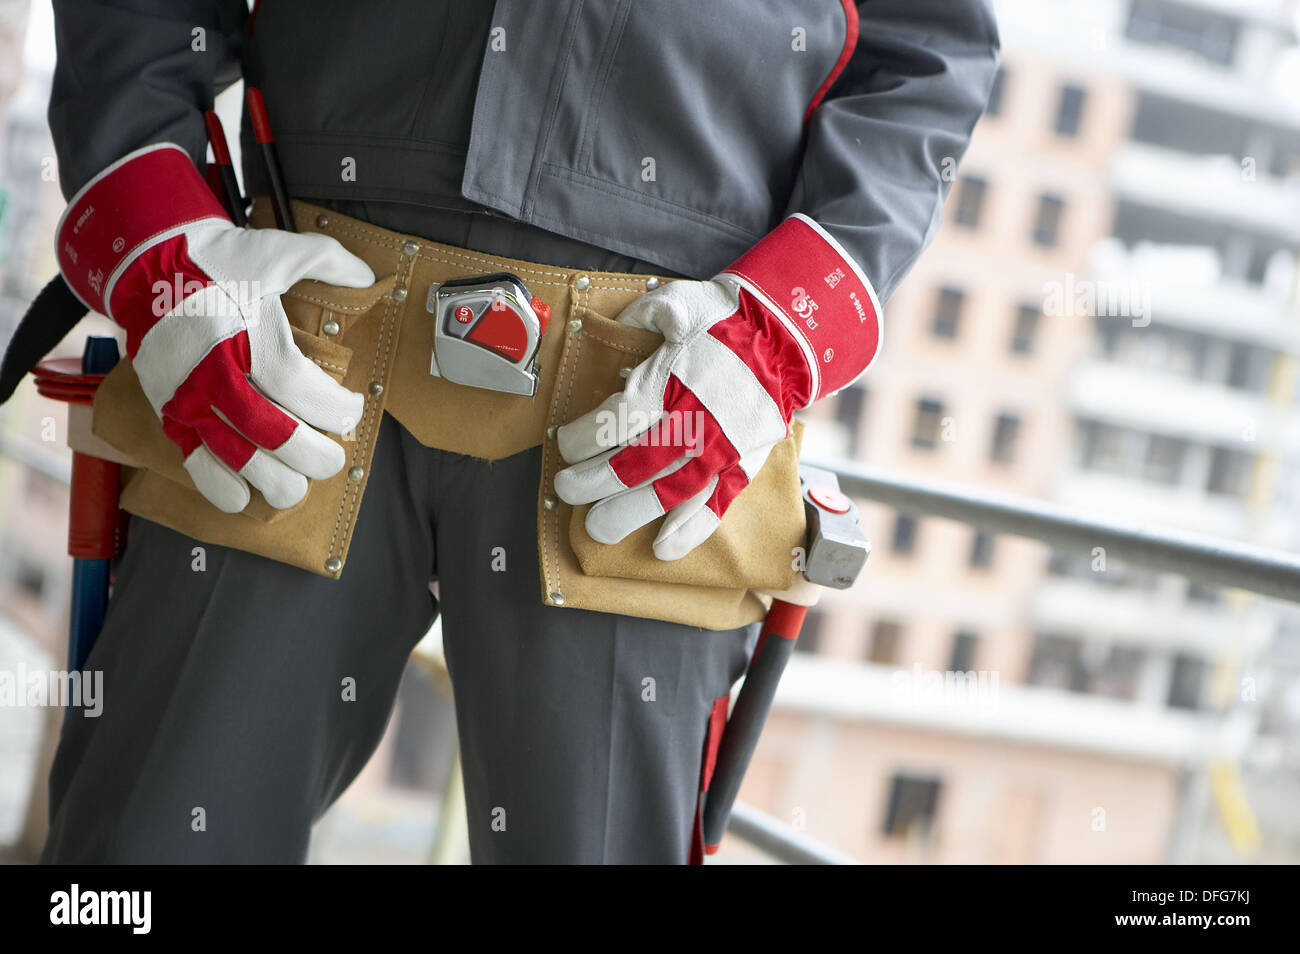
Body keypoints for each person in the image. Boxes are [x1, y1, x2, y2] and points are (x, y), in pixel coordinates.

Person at [38, 0, 998, 864]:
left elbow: (925, 57)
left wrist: (782, 334)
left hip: (659, 403)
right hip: (287, 351)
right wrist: (156, 248)